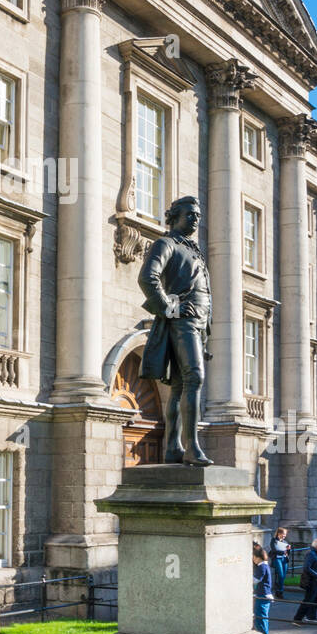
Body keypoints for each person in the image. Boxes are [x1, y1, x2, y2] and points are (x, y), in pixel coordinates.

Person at [137, 195, 214, 466]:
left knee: (181, 386)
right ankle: (192, 447)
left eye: (198, 215)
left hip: (198, 324)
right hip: (183, 322)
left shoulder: (193, 250)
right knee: (194, 377)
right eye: (190, 213)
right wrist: (172, 310)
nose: (196, 218)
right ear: (175, 216)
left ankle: (173, 448)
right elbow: (147, 278)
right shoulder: (165, 243)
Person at [252, 542, 274, 634]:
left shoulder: (261, 567)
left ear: (257, 557)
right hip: (264, 594)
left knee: (260, 618)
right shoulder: (264, 566)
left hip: (263, 595)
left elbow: (255, 580)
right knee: (261, 618)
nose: (252, 559)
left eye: (253, 557)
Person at [268, 527, 291, 599]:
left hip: (284, 559)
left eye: (285, 535)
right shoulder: (273, 541)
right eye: (283, 534)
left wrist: (288, 549)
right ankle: (279, 591)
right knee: (280, 575)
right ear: (279, 533)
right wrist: (282, 552)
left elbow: (288, 553)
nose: (284, 536)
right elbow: (274, 550)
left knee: (283, 576)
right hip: (277, 559)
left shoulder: (285, 542)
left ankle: (278, 591)